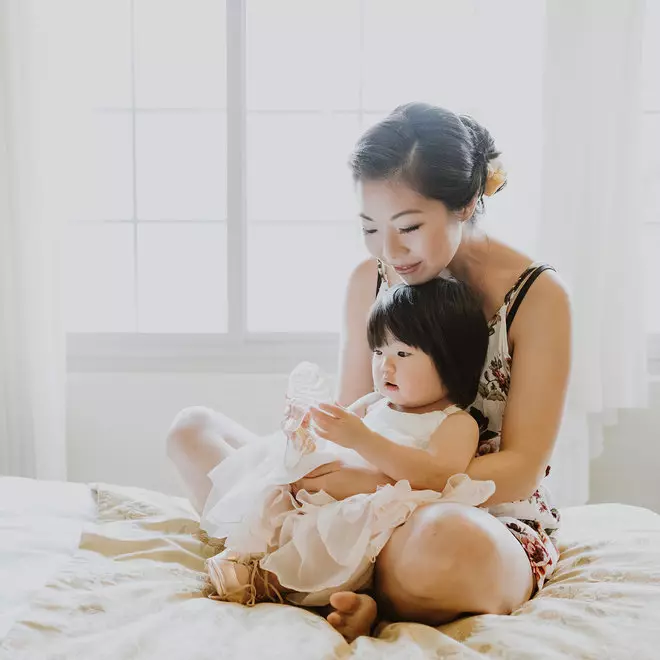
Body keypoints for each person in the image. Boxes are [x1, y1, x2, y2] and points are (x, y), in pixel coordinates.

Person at [167, 102, 570, 642]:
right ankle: (347, 582)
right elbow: (363, 414)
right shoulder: (370, 278)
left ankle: (320, 579)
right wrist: (310, 451)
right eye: (370, 227)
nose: (389, 250)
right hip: (362, 500)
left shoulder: (538, 298)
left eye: (408, 227)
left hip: (473, 514)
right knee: (193, 432)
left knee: (445, 542)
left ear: (467, 202)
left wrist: (389, 484)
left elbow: (520, 469)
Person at [200, 278, 493, 609]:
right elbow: (334, 439)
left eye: (402, 352)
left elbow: (438, 476)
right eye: (379, 351)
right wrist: (305, 430)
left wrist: (363, 438)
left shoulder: (454, 422)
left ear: (452, 359)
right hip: (314, 501)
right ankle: (247, 555)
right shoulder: (372, 403)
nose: (386, 365)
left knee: (338, 533)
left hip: (375, 516)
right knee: (275, 483)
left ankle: (269, 583)